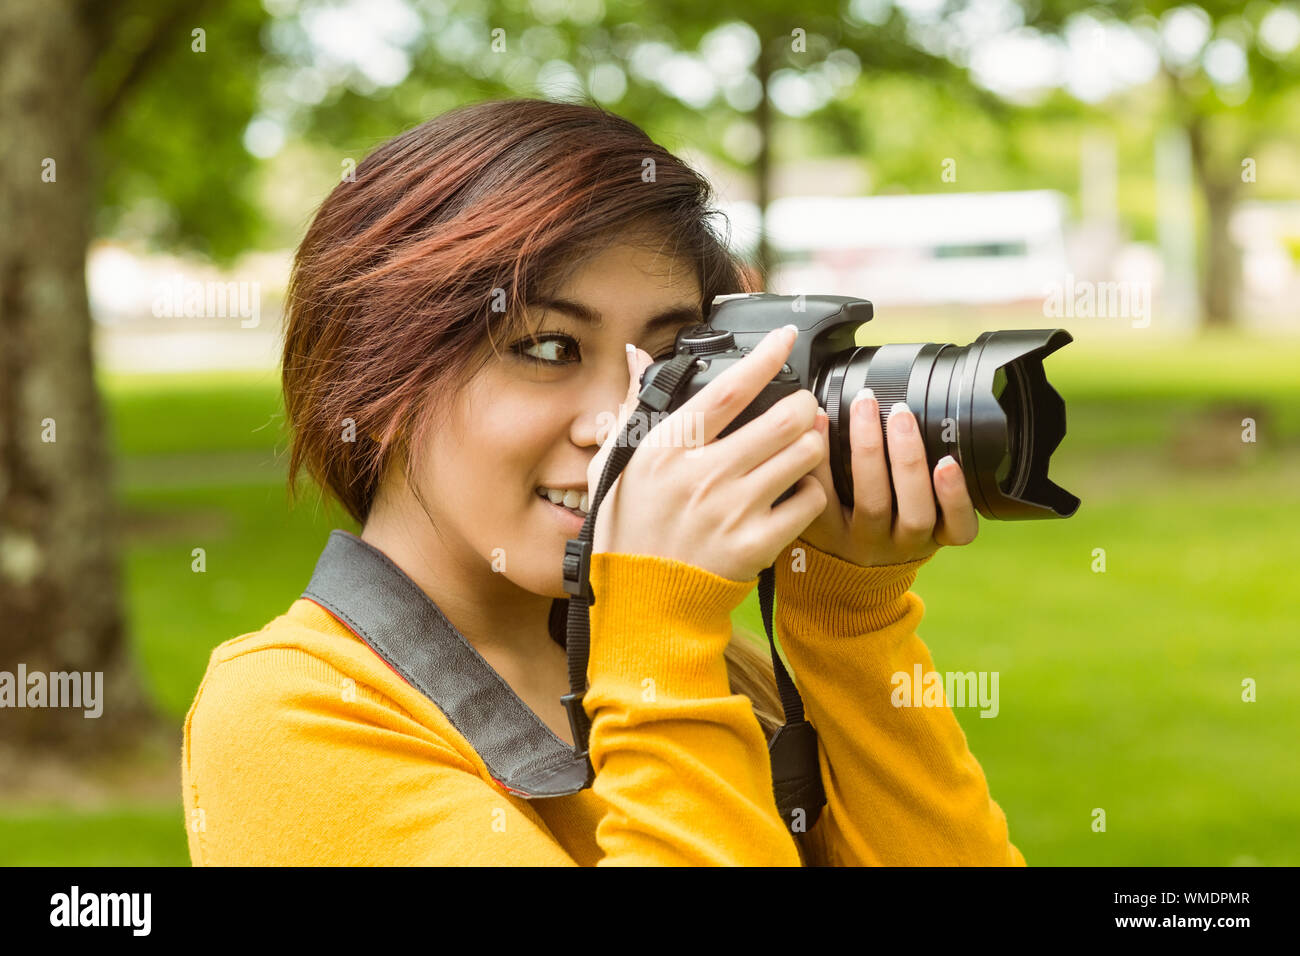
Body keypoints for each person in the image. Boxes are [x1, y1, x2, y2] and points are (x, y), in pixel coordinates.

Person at [182, 98, 1025, 866]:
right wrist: (654, 635)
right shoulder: (294, 710)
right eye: (547, 348)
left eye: (665, 360)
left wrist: (847, 618)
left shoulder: (716, 664)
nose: (622, 422)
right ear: (381, 378)